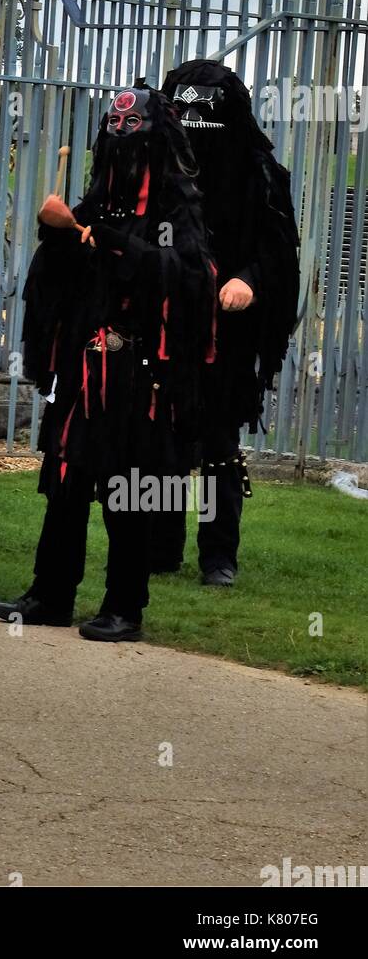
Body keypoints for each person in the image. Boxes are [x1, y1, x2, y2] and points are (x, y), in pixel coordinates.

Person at [0, 87, 215, 641]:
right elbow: (66, 269)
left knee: (128, 488)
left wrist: (116, 246)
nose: (121, 140)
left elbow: (191, 277)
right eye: (114, 129)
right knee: (65, 480)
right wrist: (58, 228)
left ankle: (124, 607)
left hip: (139, 373)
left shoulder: (177, 202)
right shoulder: (100, 195)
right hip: (83, 366)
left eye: (131, 127)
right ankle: (51, 593)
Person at [150, 58, 300, 585]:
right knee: (160, 437)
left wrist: (249, 279)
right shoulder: (152, 170)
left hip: (227, 327)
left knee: (218, 441)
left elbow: (279, 251)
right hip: (164, 322)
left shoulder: (258, 175)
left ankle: (218, 556)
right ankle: (159, 549)